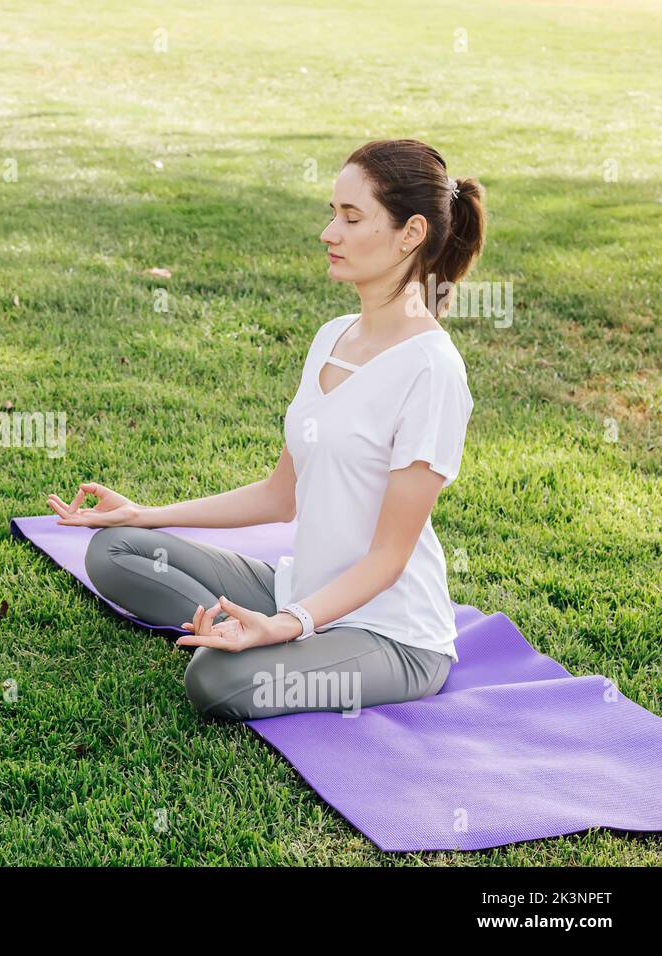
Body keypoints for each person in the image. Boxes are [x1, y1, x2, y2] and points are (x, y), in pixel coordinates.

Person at [49, 139, 485, 721]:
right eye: (332, 213)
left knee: (215, 679)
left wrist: (285, 626)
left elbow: (388, 560)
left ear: (411, 234)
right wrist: (141, 513)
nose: (329, 233)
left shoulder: (432, 370)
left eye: (351, 218)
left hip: (391, 634)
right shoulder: (332, 336)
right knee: (117, 551)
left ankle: (256, 640)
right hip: (297, 588)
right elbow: (281, 496)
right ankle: (246, 630)